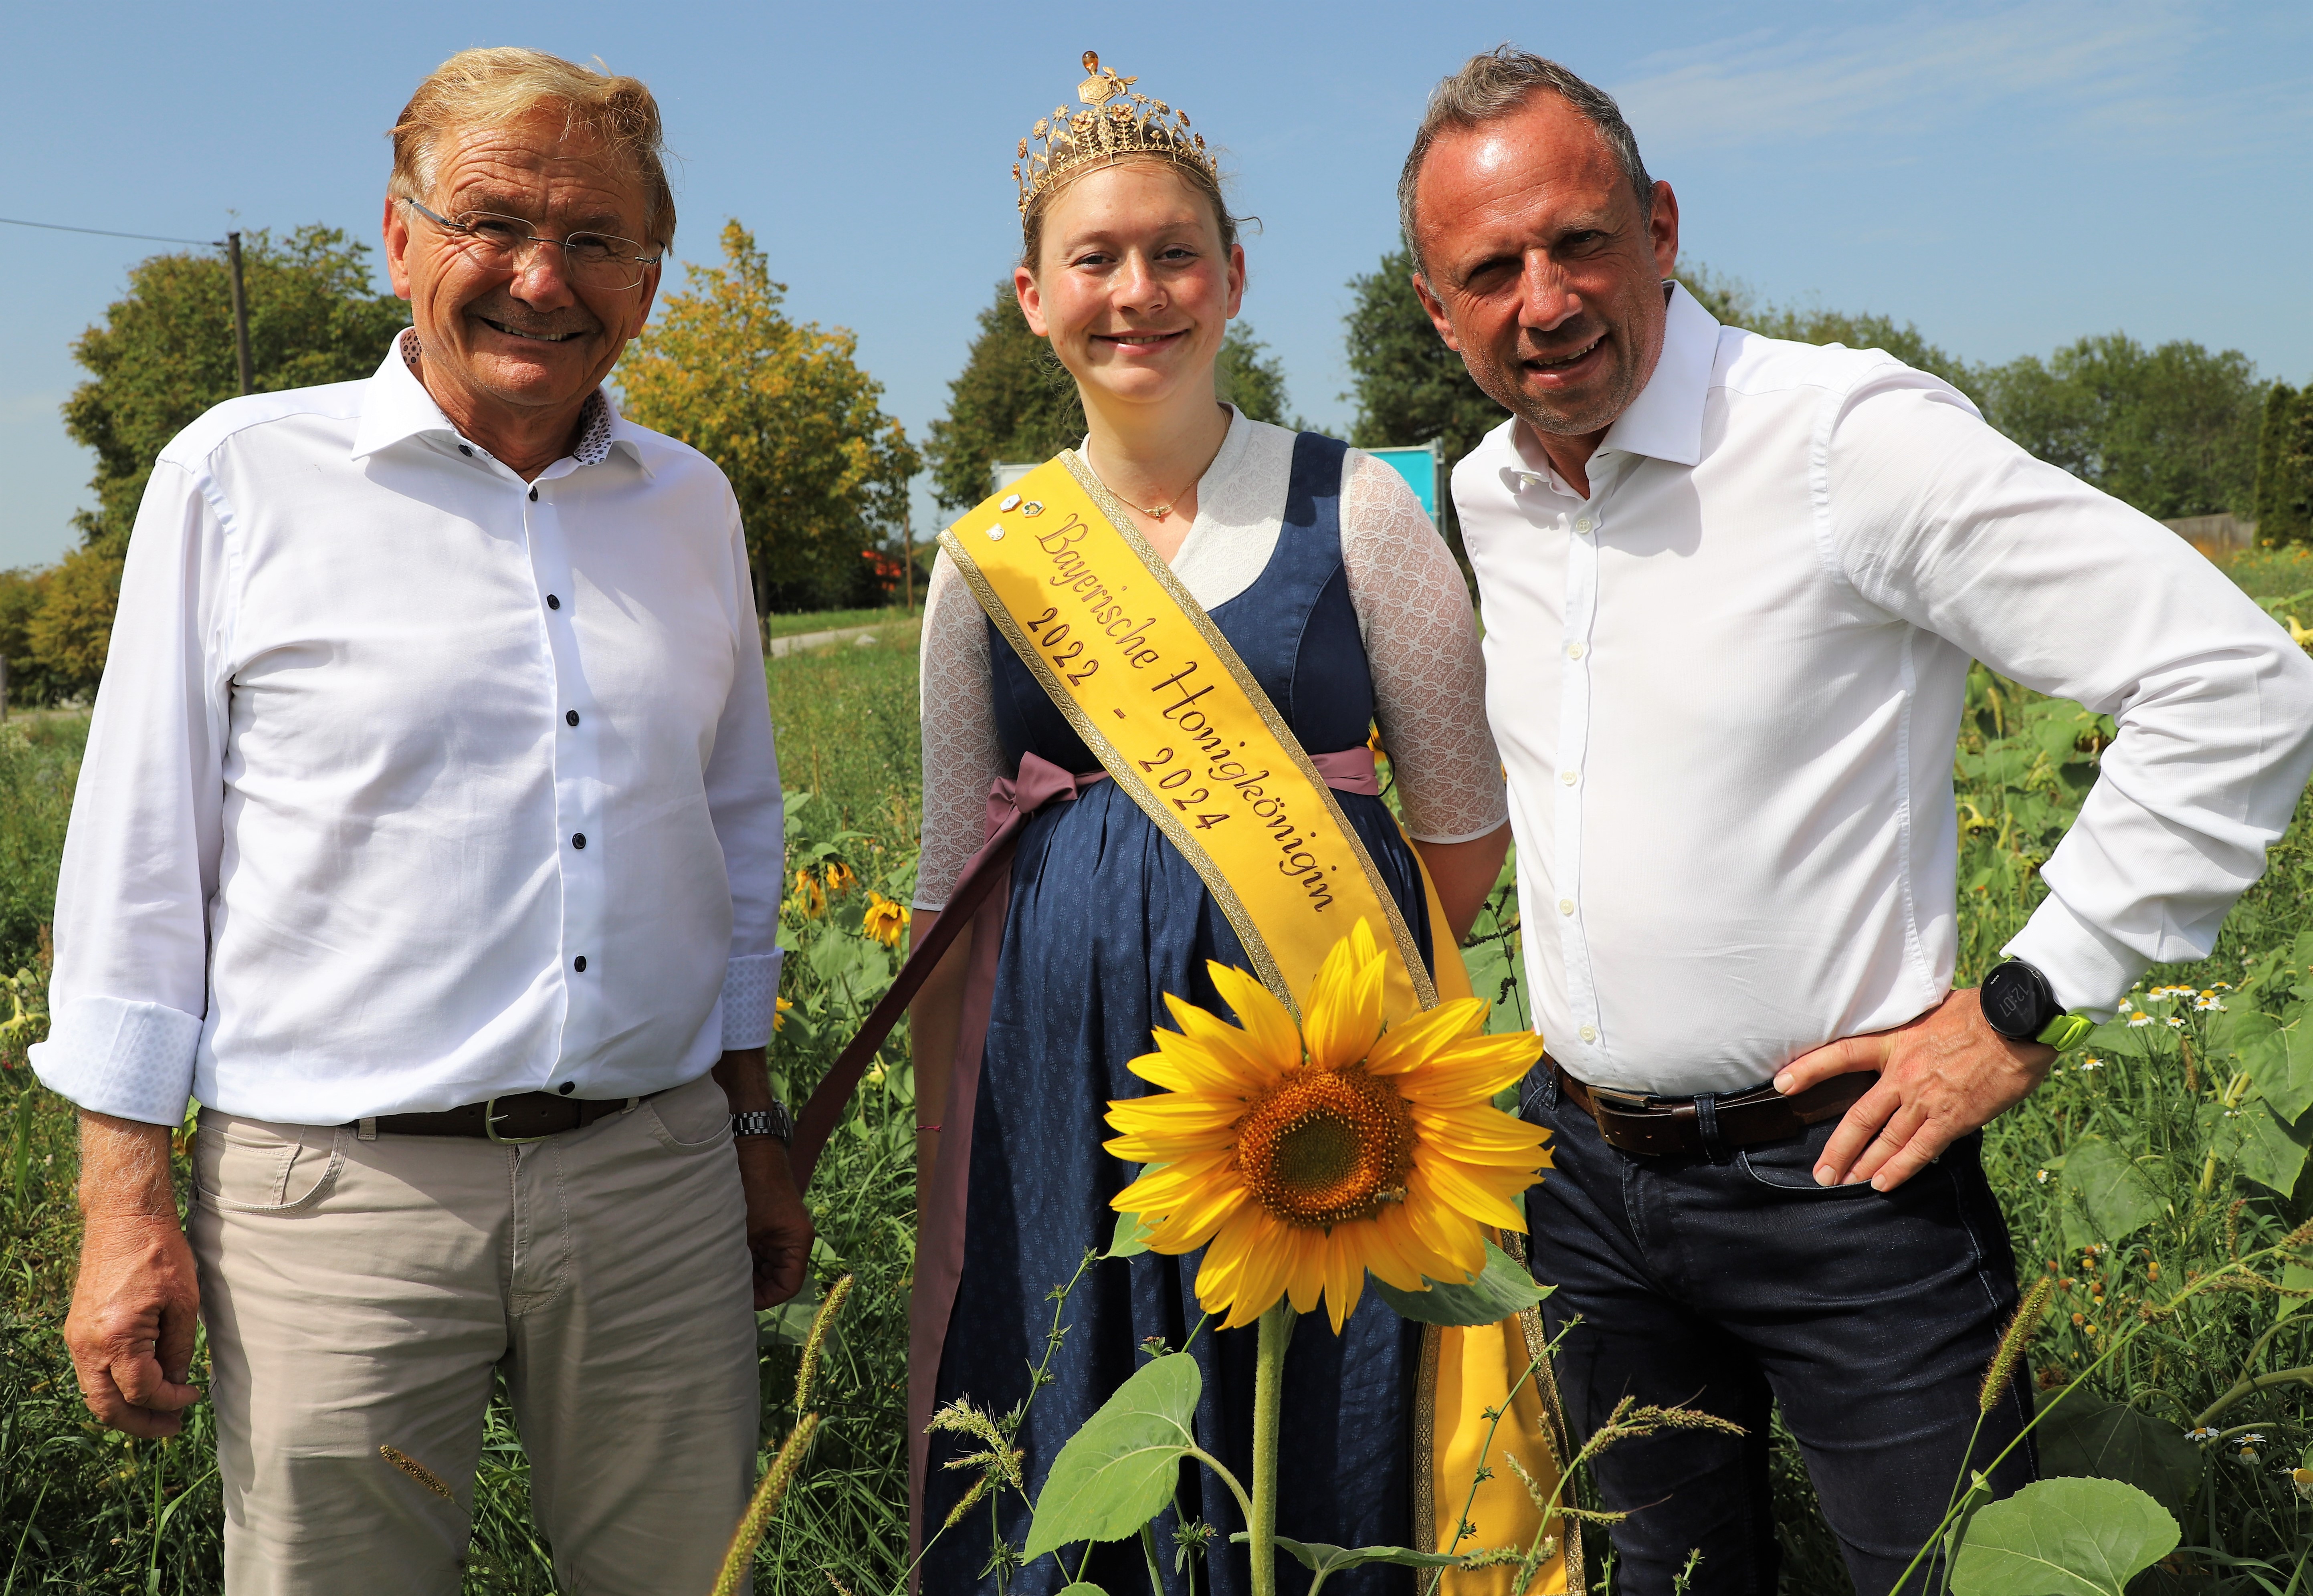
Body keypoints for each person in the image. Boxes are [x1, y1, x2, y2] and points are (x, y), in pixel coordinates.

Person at [1394, 44, 2313, 1593]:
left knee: (1949, 1578)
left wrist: (2024, 1006)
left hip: (1843, 1181)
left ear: (1663, 229)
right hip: (1584, 1186)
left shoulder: (1837, 440)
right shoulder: (1486, 494)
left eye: (1580, 242)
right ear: (1438, 308)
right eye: (1490, 270)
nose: (1542, 301)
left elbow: (2234, 683)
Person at [33, 48, 810, 1595]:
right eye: (491, 221)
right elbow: (138, 860)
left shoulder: (690, 504)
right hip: (335, 1199)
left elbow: (733, 838)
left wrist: (750, 1126)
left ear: (649, 278)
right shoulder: (242, 476)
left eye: (595, 238)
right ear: (399, 237)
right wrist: (121, 1205)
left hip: (649, 1179)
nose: (542, 277)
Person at [907, 52, 1517, 1595]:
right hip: (1073, 1081)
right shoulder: (991, 554)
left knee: (1327, 1410)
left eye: (1173, 252)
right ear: (1033, 297)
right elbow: (944, 871)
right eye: (1093, 261)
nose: (1138, 292)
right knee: (1098, 1406)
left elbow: (1456, 827)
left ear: (1233, 276)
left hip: (1331, 1076)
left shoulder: (1361, 505)